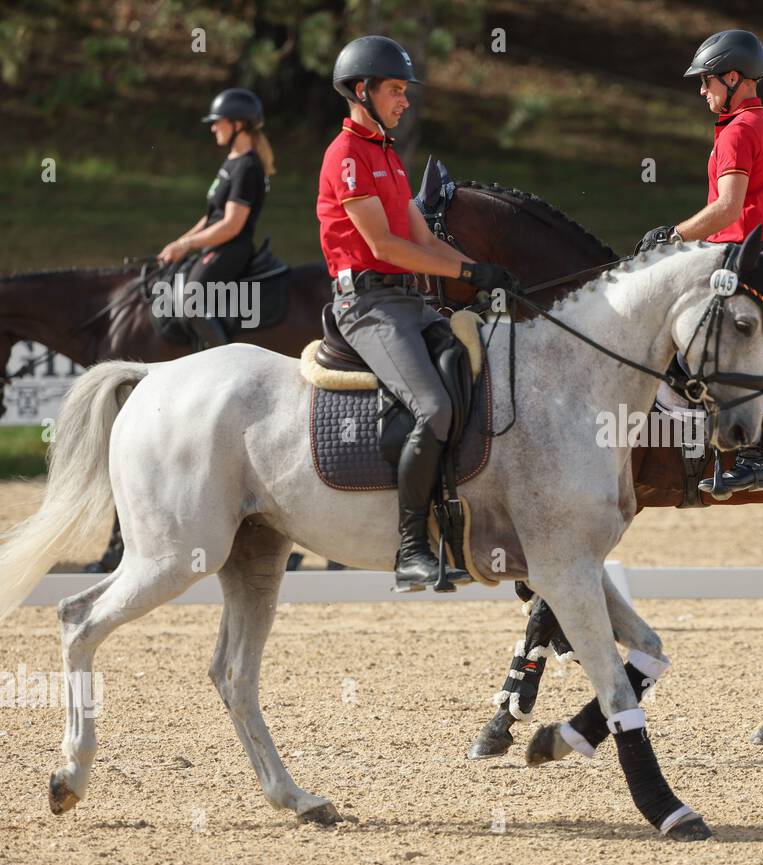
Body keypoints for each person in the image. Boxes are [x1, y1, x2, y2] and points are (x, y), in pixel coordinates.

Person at [317, 35, 521, 591]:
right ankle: (410, 547)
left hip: (405, 300)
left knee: (469, 371)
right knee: (432, 408)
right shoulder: (347, 157)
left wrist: (481, 272)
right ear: (362, 91)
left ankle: (456, 518)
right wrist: (464, 274)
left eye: (404, 91)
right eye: (395, 91)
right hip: (366, 304)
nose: (404, 101)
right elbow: (383, 247)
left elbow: (422, 239)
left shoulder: (386, 154)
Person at [634, 29, 763, 496]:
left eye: (706, 82)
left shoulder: (739, 130)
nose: (702, 91)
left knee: (683, 335)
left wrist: (673, 236)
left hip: (740, 258)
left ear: (734, 78)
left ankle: (750, 452)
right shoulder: (752, 124)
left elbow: (727, 207)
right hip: (745, 254)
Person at [159, 88, 273, 348]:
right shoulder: (233, 162)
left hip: (231, 248)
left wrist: (187, 245)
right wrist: (179, 242)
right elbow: (211, 217)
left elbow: (231, 225)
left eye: (217, 122)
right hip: (215, 244)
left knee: (191, 299)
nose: (213, 128)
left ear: (238, 124)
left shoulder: (247, 167)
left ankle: (220, 360)